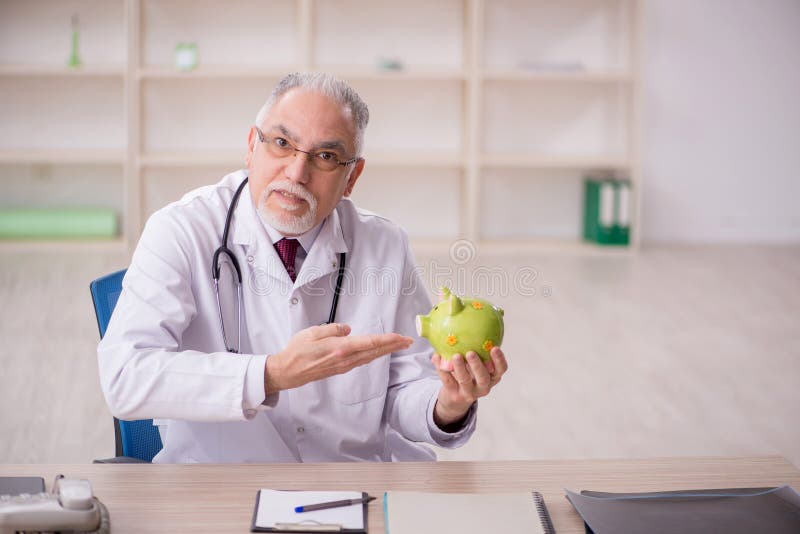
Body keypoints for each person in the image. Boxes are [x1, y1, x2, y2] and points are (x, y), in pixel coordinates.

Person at [98, 72, 507, 463]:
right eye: (281, 143)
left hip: (352, 487)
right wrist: (270, 374)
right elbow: (125, 377)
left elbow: (407, 388)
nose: (296, 173)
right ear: (251, 146)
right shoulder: (181, 229)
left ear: (352, 176)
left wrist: (447, 405)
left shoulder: (384, 245)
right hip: (224, 484)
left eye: (326, 156)